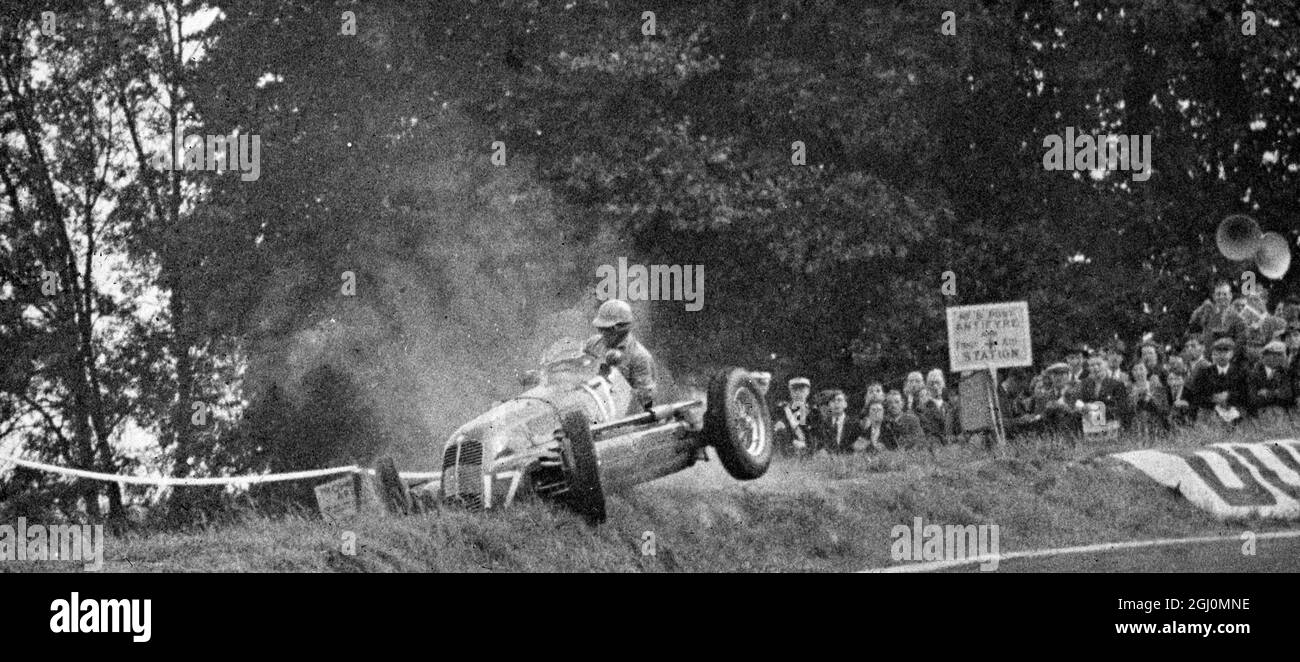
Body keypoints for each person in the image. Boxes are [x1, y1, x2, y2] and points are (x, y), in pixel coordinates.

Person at [584, 299, 656, 412]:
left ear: (622, 328)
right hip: (592, 406)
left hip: (620, 414)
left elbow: (645, 400)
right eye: (600, 329)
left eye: (608, 330)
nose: (603, 333)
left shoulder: (639, 356)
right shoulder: (593, 344)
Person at [1185, 336, 1248, 425]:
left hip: (1235, 412)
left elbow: (1245, 394)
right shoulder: (1205, 373)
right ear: (1213, 353)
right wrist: (1212, 399)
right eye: (1218, 352)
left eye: (1225, 351)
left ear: (1232, 354)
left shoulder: (1240, 372)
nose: (1222, 355)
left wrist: (1228, 396)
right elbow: (1196, 396)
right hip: (1211, 413)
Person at [1071, 355, 1131, 427]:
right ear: (1089, 369)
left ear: (1105, 366)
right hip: (1088, 424)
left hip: (1110, 424)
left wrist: (1097, 410)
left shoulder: (1117, 384)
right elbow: (1075, 400)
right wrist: (1083, 406)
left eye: (1099, 364)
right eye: (1092, 365)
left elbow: (1122, 408)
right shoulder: (1083, 383)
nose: (1096, 367)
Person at [1189, 281, 1245, 348]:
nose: (1221, 297)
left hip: (1230, 353)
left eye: (1224, 294)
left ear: (1230, 296)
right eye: (1218, 294)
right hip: (1209, 353)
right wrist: (1201, 309)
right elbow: (1192, 322)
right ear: (1214, 297)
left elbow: (1241, 339)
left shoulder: (1238, 315)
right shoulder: (1208, 312)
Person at [1246, 341, 1292, 417]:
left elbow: (1287, 394)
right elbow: (1252, 399)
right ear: (1264, 356)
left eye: (1280, 355)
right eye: (1273, 354)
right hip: (1258, 414)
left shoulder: (1284, 372)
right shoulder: (1253, 373)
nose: (1277, 358)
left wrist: (1268, 393)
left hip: (1279, 413)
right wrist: (1277, 394)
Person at [808, 389, 861, 454]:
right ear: (829, 405)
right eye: (833, 401)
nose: (836, 403)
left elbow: (857, 446)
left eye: (839, 400)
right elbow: (819, 445)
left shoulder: (854, 423)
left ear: (845, 404)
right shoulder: (822, 424)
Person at [919, 369, 960, 446]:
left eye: (937, 383)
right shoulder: (923, 408)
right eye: (931, 384)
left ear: (943, 384)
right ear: (928, 387)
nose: (935, 386)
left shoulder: (949, 406)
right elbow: (928, 432)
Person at [773, 377, 813, 455]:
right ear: (790, 392)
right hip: (786, 452)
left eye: (802, 390)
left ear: (808, 391)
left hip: (808, 453)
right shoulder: (782, 410)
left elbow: (819, 436)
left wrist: (806, 446)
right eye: (795, 390)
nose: (798, 393)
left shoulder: (814, 412)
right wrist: (791, 442)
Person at [1128, 362, 1168, 436]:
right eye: (1135, 370)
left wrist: (1149, 397)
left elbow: (1163, 408)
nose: (1138, 372)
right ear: (1132, 373)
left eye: (1141, 369)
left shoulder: (1156, 386)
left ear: (1147, 371)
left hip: (1155, 426)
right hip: (1136, 427)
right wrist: (1135, 397)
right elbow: (1128, 410)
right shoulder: (1129, 389)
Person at [1164, 363, 1194, 427]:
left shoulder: (1187, 391)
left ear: (1182, 380)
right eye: (1171, 379)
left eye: (1177, 379)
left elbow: (1192, 405)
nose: (1174, 382)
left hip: (1184, 422)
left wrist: (1183, 403)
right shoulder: (1166, 391)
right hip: (1169, 423)